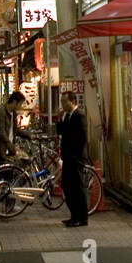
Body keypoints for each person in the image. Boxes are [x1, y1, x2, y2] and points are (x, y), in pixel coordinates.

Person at [57, 91, 88, 228]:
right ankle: (74, 215)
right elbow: (60, 132)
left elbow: (82, 139)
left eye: (65, 101)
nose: (63, 104)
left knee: (76, 188)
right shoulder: (67, 116)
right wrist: (59, 119)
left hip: (75, 159)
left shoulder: (78, 116)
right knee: (67, 186)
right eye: (62, 101)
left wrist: (76, 156)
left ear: (73, 101)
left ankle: (81, 218)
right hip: (67, 158)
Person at [0, 91, 27, 165]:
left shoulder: (13, 114)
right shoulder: (0, 112)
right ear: (14, 102)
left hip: (8, 151)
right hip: (0, 151)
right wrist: (11, 146)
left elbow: (15, 130)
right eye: (20, 104)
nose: (20, 106)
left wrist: (28, 135)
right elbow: (1, 132)